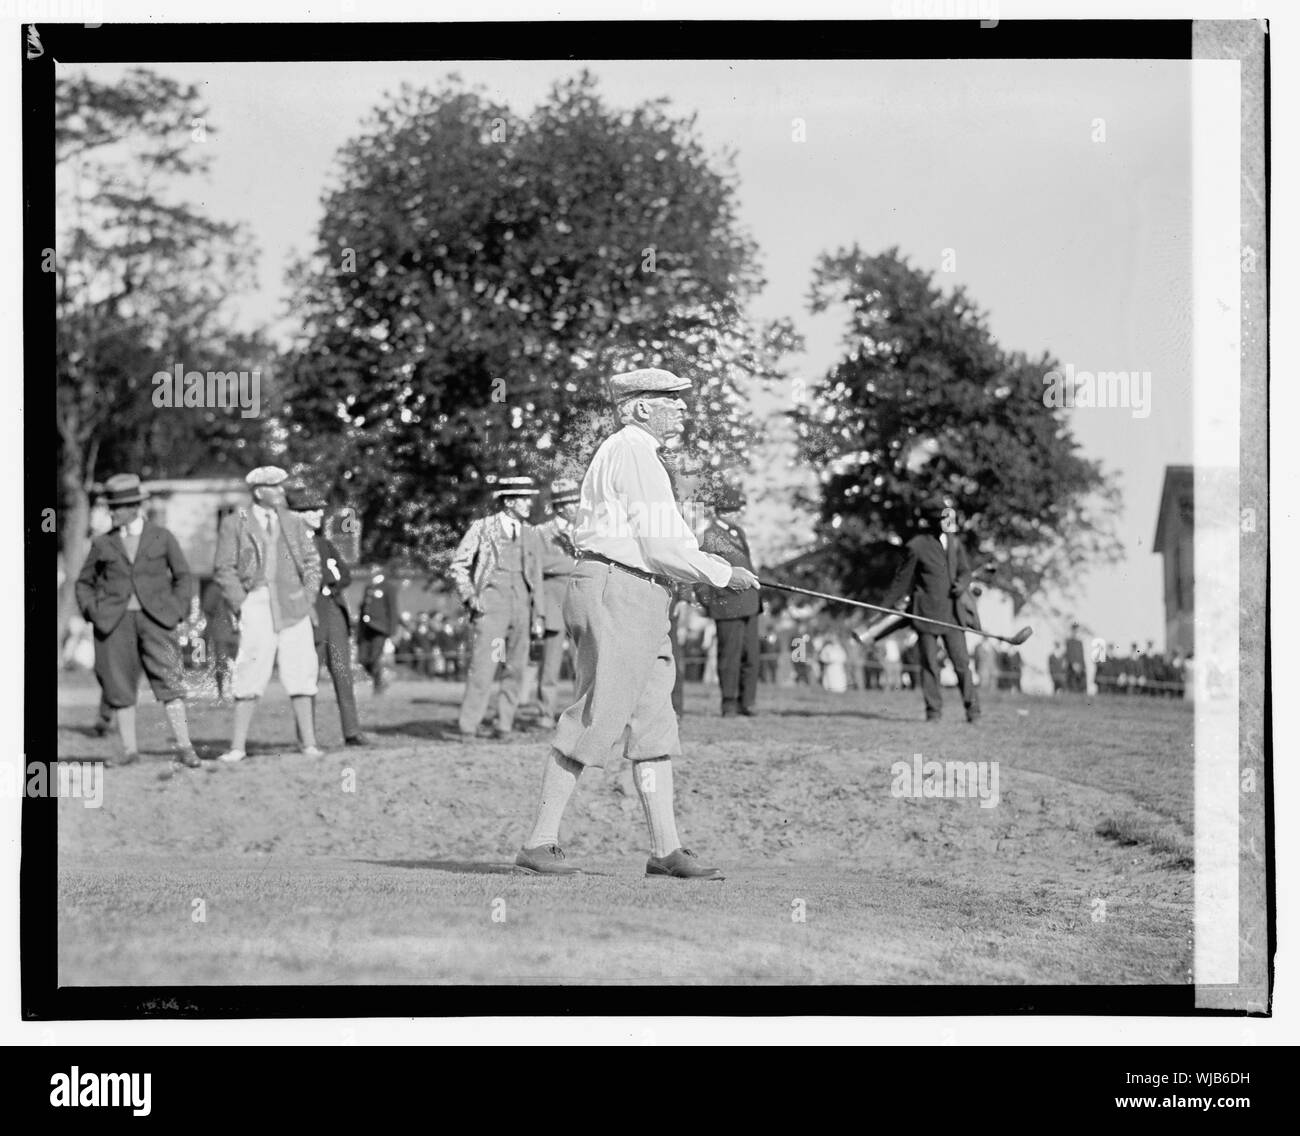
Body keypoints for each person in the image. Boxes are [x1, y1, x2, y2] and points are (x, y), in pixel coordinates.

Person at [514, 367, 760, 879]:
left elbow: (665, 546)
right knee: (596, 716)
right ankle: (538, 842)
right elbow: (663, 545)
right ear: (641, 407)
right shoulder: (633, 450)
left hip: (642, 594)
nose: (684, 408)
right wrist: (722, 572)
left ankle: (666, 850)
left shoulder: (637, 453)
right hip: (618, 587)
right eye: (672, 399)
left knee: (654, 726)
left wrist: (713, 571)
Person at [74, 473, 201, 768]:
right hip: (114, 624)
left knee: (170, 682)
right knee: (118, 687)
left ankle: (185, 747)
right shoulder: (102, 542)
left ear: (133, 508)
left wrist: (176, 609)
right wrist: (93, 611)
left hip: (157, 620)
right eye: (110, 508)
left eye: (116, 508)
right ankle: (128, 750)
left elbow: (183, 576)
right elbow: (84, 582)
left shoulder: (161, 536)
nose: (112, 513)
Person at [213, 465, 323, 763]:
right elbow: (224, 568)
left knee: (301, 670)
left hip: (293, 604)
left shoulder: (293, 522)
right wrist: (242, 602)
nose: (281, 492)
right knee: (250, 669)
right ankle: (237, 746)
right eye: (275, 487)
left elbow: (313, 563)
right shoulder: (236, 522)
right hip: (257, 602)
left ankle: (308, 743)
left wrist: (307, 595)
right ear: (259, 491)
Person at [449, 474, 545, 740]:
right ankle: (468, 726)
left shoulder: (531, 532)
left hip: (522, 608)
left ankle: (504, 724)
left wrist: (539, 614)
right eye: (524, 499)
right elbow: (458, 564)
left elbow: (536, 576)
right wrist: (470, 596)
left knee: (516, 668)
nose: (529, 504)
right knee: (484, 667)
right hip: (491, 607)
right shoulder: (483, 527)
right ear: (510, 501)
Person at [880, 496, 980, 723]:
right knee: (929, 666)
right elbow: (901, 581)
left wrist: (962, 584)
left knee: (962, 664)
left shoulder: (955, 543)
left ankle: (973, 711)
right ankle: (933, 712)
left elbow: (965, 571)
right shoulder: (916, 546)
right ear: (931, 520)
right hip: (926, 614)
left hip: (953, 616)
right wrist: (883, 609)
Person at [286, 482, 368, 747]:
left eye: (320, 511)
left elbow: (343, 575)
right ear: (298, 515)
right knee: (307, 678)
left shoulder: (325, 543)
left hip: (334, 612)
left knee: (343, 675)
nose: (319, 515)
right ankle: (306, 737)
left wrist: (327, 582)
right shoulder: (291, 546)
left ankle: (352, 730)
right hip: (310, 615)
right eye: (312, 511)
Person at [695, 485, 763, 716]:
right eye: (733, 509)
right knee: (730, 657)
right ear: (721, 511)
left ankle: (748, 701)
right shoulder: (710, 537)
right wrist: (711, 603)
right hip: (727, 606)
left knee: (751, 655)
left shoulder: (738, 532)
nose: (737, 514)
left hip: (751, 603)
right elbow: (701, 576)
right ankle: (729, 703)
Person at [533, 478, 580, 727]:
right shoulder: (542, 532)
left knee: (581, 663)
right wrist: (572, 565)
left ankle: (579, 715)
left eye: (577, 501)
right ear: (560, 506)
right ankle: (544, 713)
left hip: (581, 604)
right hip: (552, 604)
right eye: (571, 502)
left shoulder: (587, 529)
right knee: (549, 665)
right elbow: (538, 566)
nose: (576, 506)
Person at [357, 569, 401, 695]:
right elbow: (364, 608)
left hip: (380, 629)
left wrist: (392, 632)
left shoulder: (388, 587)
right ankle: (381, 679)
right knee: (363, 659)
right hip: (366, 628)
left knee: (375, 658)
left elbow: (393, 609)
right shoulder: (369, 586)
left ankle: (378, 687)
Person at [1064, 623, 1086, 693]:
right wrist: (1073, 664)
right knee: (1073, 687)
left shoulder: (1080, 642)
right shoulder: (1069, 642)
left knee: (1081, 687)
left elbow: (1082, 656)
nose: (1077, 633)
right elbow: (1069, 654)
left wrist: (1083, 667)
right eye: (1076, 631)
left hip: (1081, 668)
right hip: (1072, 668)